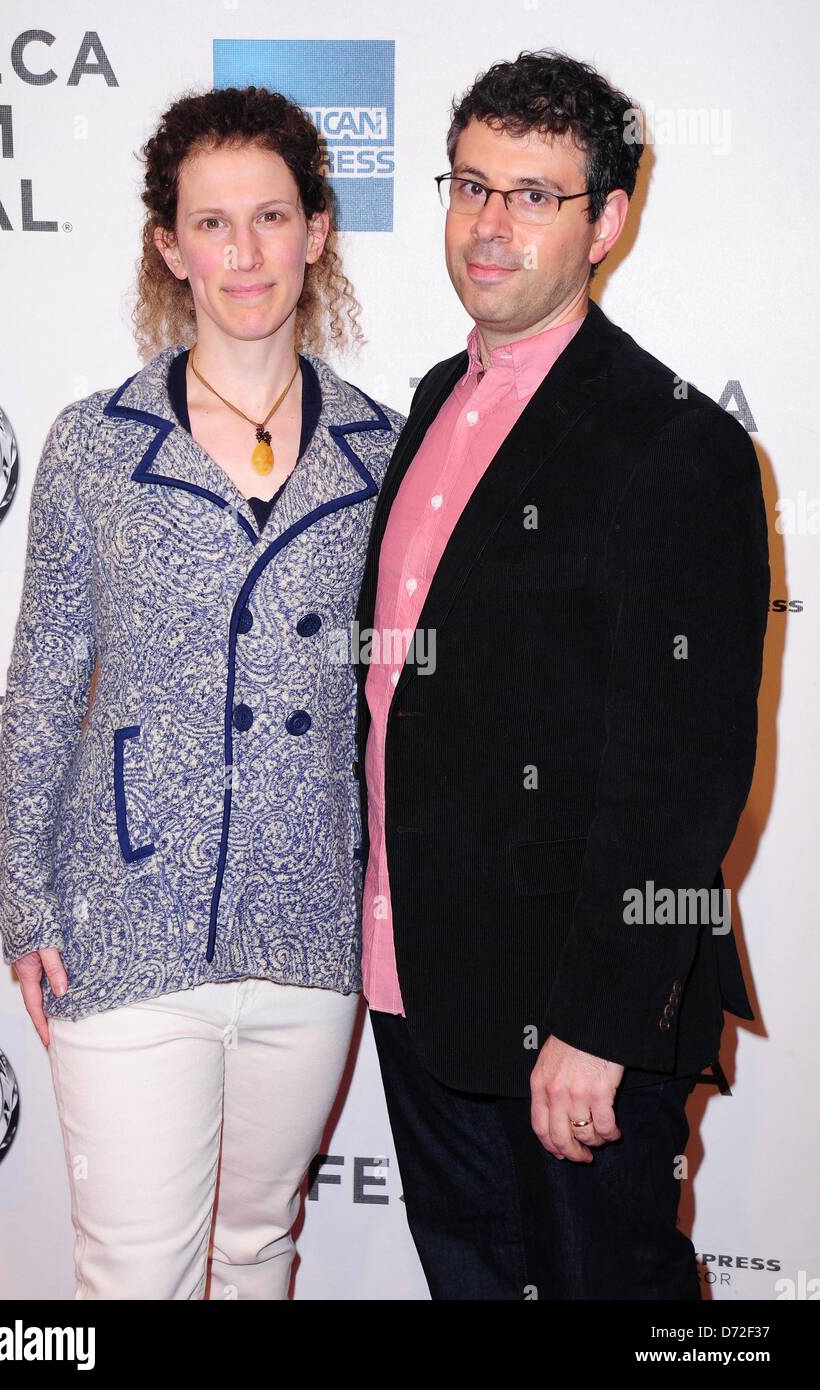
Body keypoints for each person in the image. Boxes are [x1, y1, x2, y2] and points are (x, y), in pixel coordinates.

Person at [354, 49, 769, 1300]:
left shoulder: (677, 441)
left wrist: (599, 1020)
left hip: (575, 1016)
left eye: (535, 195)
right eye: (472, 185)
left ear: (608, 222)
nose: (490, 225)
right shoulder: (436, 398)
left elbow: (684, 767)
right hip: (421, 980)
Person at [0, 84, 405, 1300]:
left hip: (306, 932)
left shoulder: (387, 452)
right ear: (169, 245)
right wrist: (27, 896)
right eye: (211, 224)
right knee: (135, 1274)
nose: (244, 253)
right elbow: (41, 678)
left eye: (271, 217)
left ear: (316, 231)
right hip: (126, 922)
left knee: (256, 1248)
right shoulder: (92, 443)